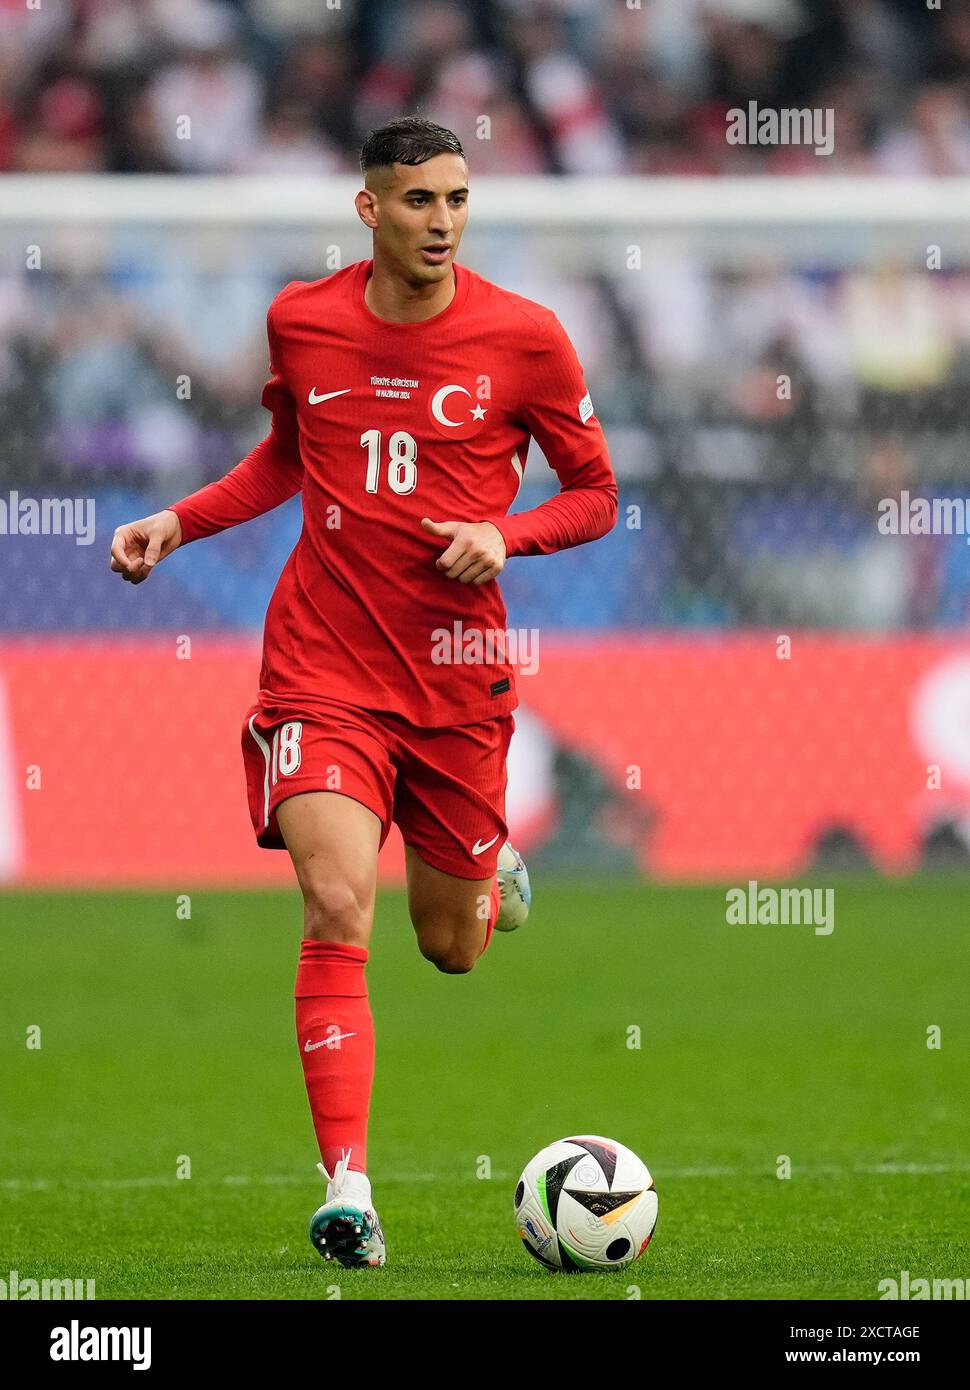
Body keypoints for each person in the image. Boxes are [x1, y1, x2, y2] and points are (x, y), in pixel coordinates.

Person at [109, 116, 617, 1269]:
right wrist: (177, 522)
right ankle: (349, 1186)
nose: (441, 221)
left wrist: (508, 531)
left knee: (450, 947)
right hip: (323, 667)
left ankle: (488, 879)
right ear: (369, 209)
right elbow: (289, 456)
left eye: (456, 200)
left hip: (453, 677)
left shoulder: (526, 339)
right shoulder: (303, 319)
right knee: (338, 905)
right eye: (419, 200)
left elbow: (596, 493)